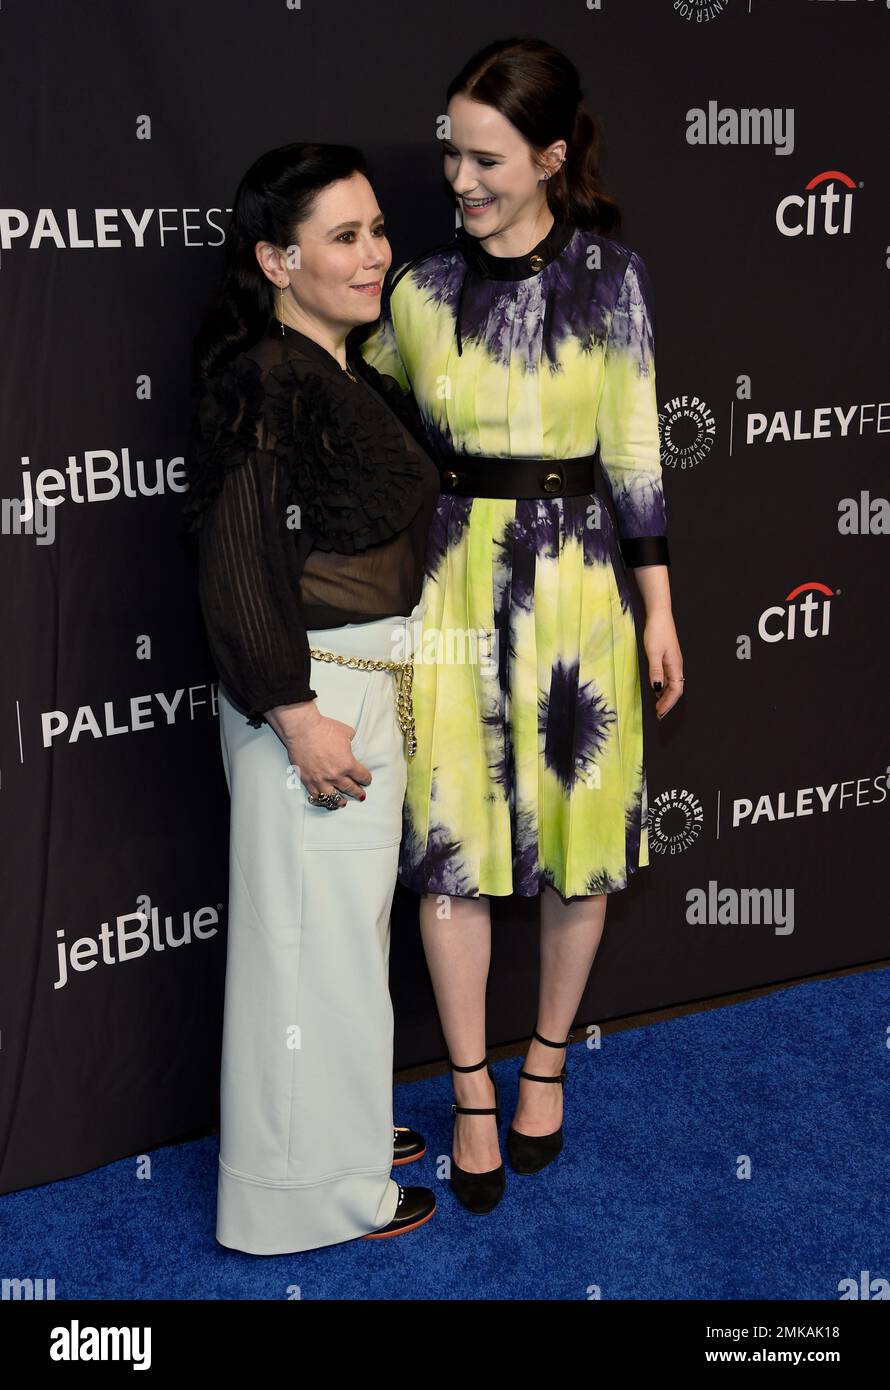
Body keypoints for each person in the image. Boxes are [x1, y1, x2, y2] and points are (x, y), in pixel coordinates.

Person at [359, 37, 685, 1213]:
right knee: (448, 844)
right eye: (451, 151)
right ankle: (471, 1092)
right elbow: (352, 384)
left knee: (577, 841)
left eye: (485, 157)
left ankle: (544, 1060)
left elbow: (637, 450)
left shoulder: (610, 279)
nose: (458, 177)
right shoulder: (419, 293)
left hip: (579, 588)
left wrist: (657, 610)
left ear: (549, 157)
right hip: (447, 589)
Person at [181, 142, 440, 1252]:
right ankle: (305, 1202)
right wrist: (293, 715)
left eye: (378, 229)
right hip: (311, 698)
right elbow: (235, 552)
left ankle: (335, 1137)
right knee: (307, 953)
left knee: (335, 941)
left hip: (353, 682)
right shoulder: (262, 376)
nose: (375, 253)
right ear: (276, 260)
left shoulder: (341, 367)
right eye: (344, 236)